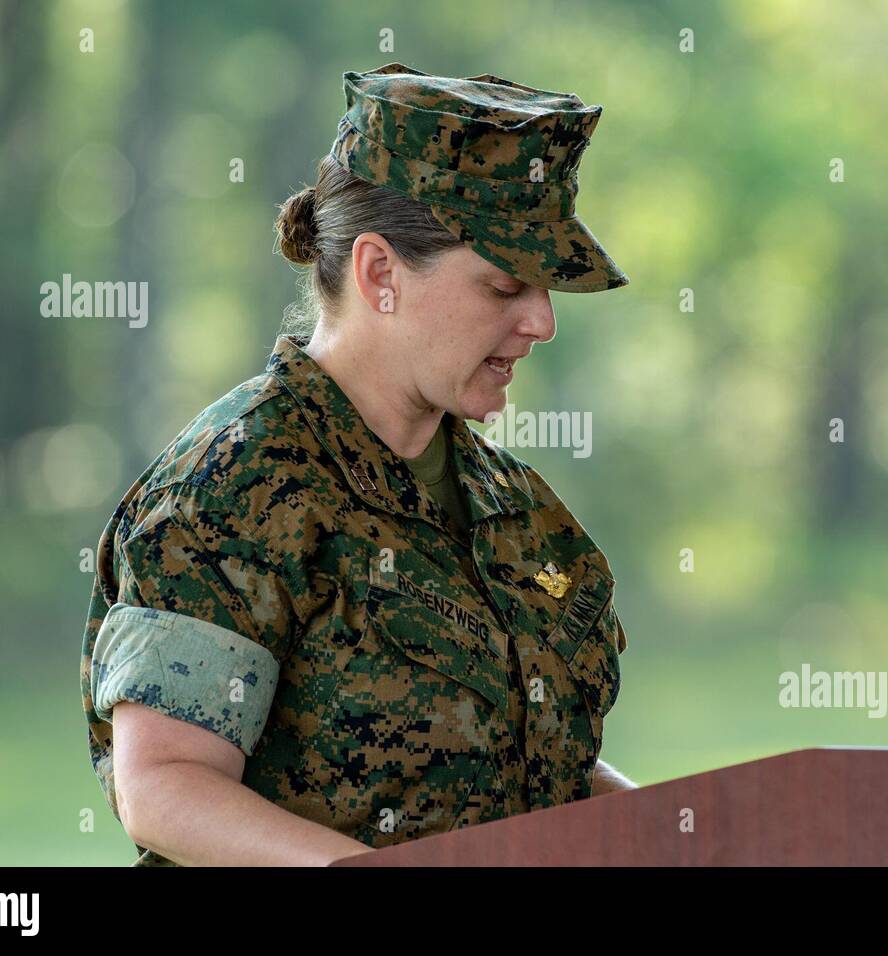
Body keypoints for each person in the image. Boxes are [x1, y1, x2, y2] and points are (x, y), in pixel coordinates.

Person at [79, 62, 634, 866]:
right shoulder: (233, 485)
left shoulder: (518, 509)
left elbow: (537, 777)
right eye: (505, 285)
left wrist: (686, 831)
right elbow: (165, 786)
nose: (542, 321)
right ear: (380, 274)